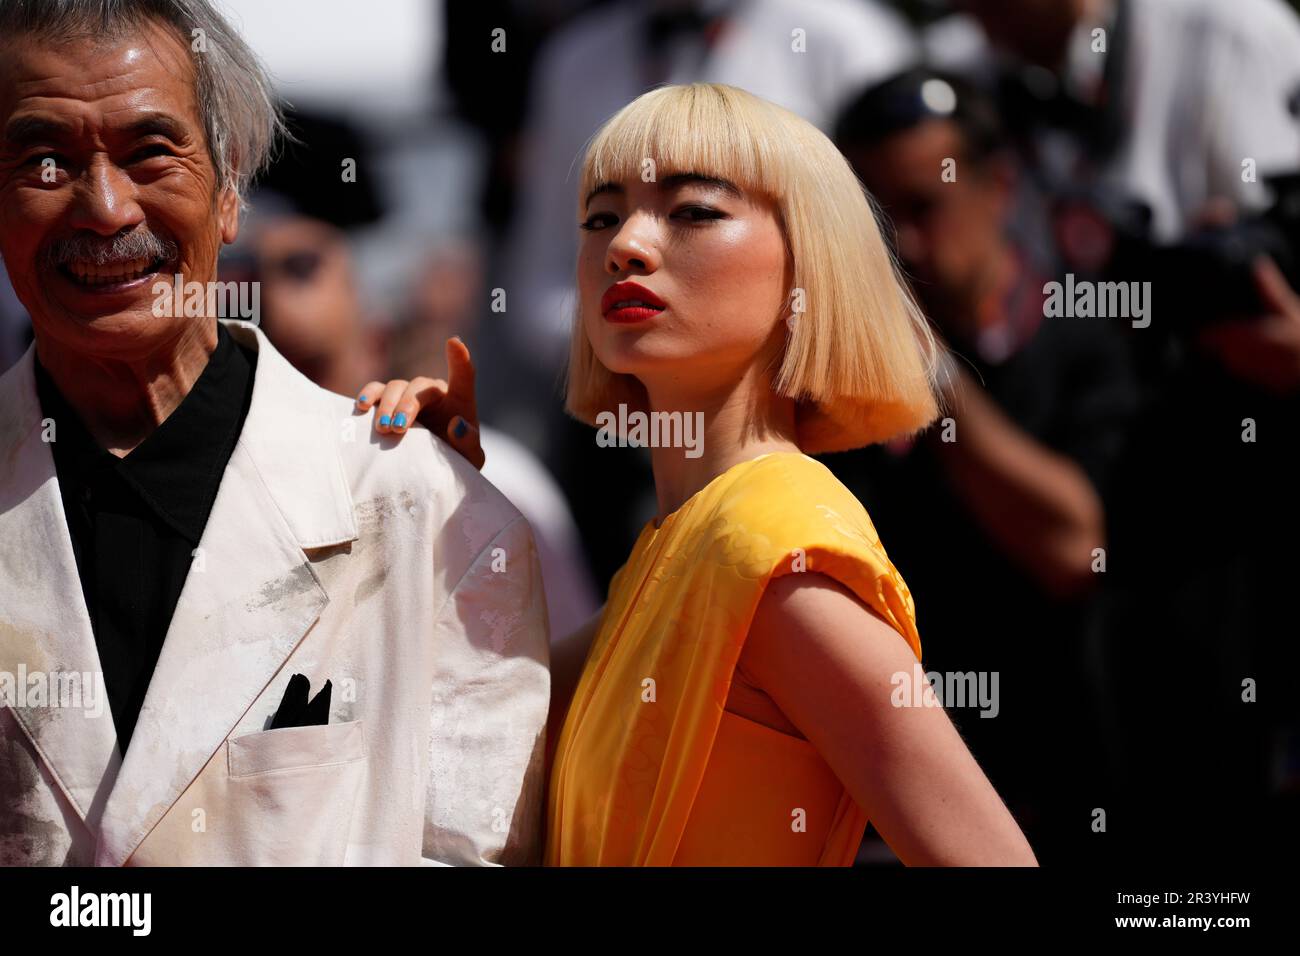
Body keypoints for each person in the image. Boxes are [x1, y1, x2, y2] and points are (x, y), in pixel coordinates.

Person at [377, 82, 1039, 865]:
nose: (626, 243)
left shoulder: (774, 552)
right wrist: (431, 494)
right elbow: (460, 727)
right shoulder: (675, 555)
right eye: (601, 216)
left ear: (809, 266)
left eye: (693, 211)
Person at [0, 0, 547, 866]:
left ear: (229, 192)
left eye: (150, 152)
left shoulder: (424, 510)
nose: (104, 209)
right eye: (43, 160)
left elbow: (474, 848)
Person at [829, 68, 1141, 862]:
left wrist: (932, 384)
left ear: (1000, 185)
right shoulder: (829, 388)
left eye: (924, 206)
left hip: (1069, 799)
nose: (907, 246)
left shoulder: (1087, 338)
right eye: (878, 220)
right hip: (883, 816)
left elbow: (1074, 549)